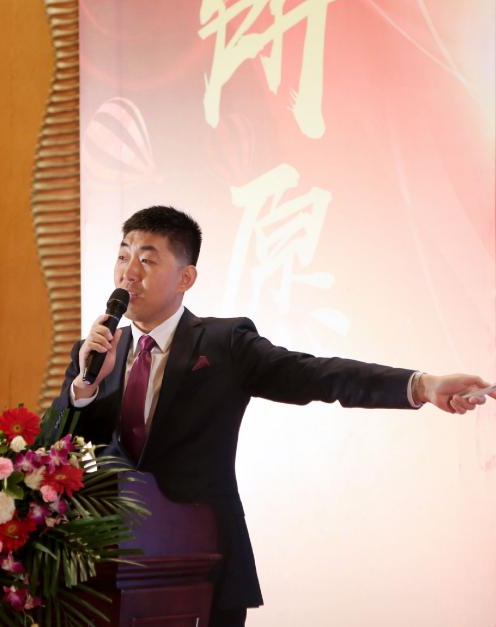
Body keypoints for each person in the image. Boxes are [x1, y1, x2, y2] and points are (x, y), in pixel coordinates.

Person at [53, 206, 494, 627]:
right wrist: (85, 388)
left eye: (147, 260)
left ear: (186, 277)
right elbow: (52, 452)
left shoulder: (224, 343)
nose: (128, 273)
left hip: (205, 561)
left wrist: (421, 385)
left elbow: (318, 375)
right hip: (108, 568)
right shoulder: (98, 352)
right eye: (123, 257)